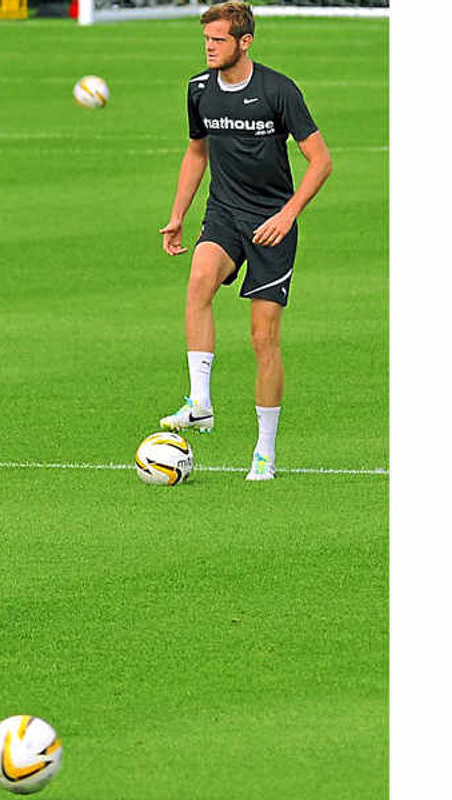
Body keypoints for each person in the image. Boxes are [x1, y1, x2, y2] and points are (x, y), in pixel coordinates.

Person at [158, 2, 331, 480]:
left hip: (272, 224)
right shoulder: (198, 90)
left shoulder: (278, 90)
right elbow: (197, 152)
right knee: (198, 281)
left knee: (262, 339)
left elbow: (320, 161)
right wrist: (178, 216)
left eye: (218, 40)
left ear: (244, 42)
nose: (209, 48)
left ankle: (265, 451)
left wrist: (288, 214)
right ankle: (200, 402)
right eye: (206, 40)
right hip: (224, 214)